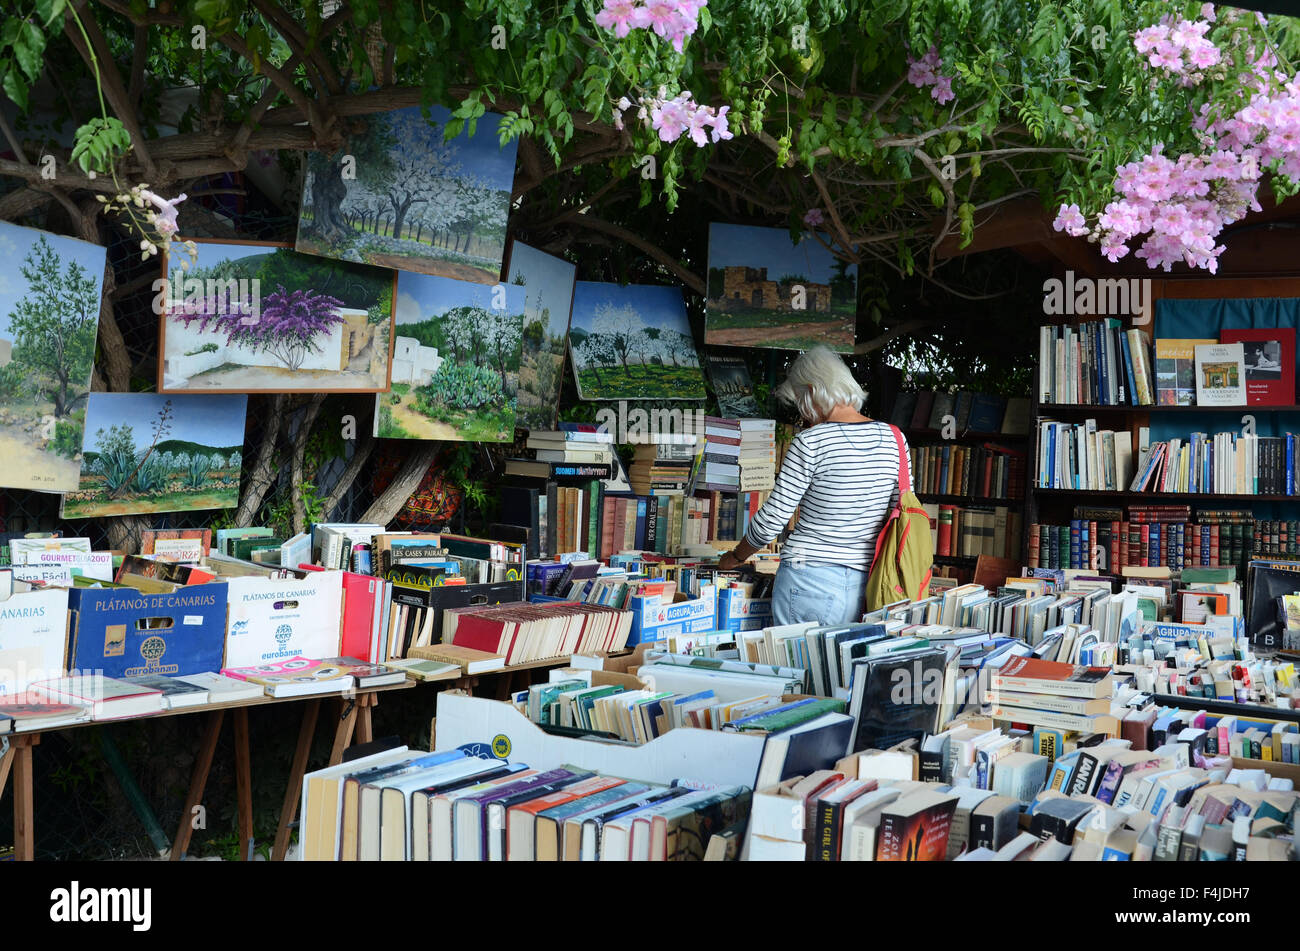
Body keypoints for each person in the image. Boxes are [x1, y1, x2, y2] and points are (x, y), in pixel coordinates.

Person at [717, 345, 909, 626]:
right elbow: (899, 512)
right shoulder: (896, 439)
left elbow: (771, 520)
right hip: (869, 583)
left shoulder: (811, 441)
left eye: (799, 401)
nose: (802, 414)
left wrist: (735, 556)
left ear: (811, 391)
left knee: (794, 655)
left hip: (807, 580)